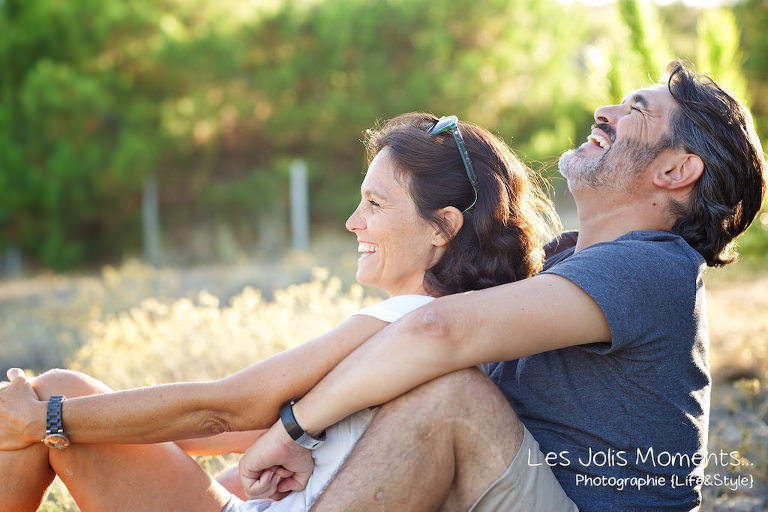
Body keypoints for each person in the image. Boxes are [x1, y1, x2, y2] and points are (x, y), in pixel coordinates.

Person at [235, 61, 767, 511]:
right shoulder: (563, 263)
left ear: (677, 170)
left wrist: (292, 429)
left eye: (637, 111)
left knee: (452, 398)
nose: (605, 112)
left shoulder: (655, 265)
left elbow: (439, 332)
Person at [0, 113, 560, 511]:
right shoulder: (450, 327)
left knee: (53, 397)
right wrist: (84, 425)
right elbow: (234, 428)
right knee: (59, 393)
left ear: (443, 228)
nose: (352, 222)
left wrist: (46, 420)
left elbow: (226, 408)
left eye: (375, 203)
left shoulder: (414, 318)